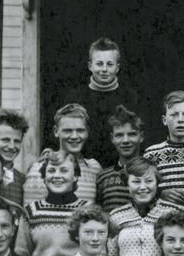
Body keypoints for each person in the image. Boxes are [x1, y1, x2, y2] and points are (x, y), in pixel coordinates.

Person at [106, 158, 184, 256]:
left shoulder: (174, 212)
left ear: (157, 183)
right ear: (127, 184)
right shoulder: (116, 216)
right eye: (136, 182)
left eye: (148, 181)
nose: (143, 187)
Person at [65, 37, 139, 168]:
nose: (104, 69)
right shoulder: (76, 96)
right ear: (90, 66)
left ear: (117, 67)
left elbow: (138, 132)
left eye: (110, 64)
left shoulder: (129, 96)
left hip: (122, 166)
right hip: (84, 167)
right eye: (99, 64)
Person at [15, 150, 85, 256]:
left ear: (76, 176)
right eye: (51, 170)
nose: (57, 176)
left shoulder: (87, 210)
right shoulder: (30, 212)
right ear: (44, 177)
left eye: (64, 171)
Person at [23, 104, 101, 204]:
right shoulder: (39, 168)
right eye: (68, 131)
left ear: (87, 132)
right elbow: (30, 215)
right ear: (56, 131)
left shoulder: (94, 168)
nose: (74, 136)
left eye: (80, 130)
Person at [95, 105, 146, 213]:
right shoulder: (103, 177)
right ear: (111, 138)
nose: (126, 140)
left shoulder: (151, 174)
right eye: (119, 135)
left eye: (132, 134)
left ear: (141, 137)